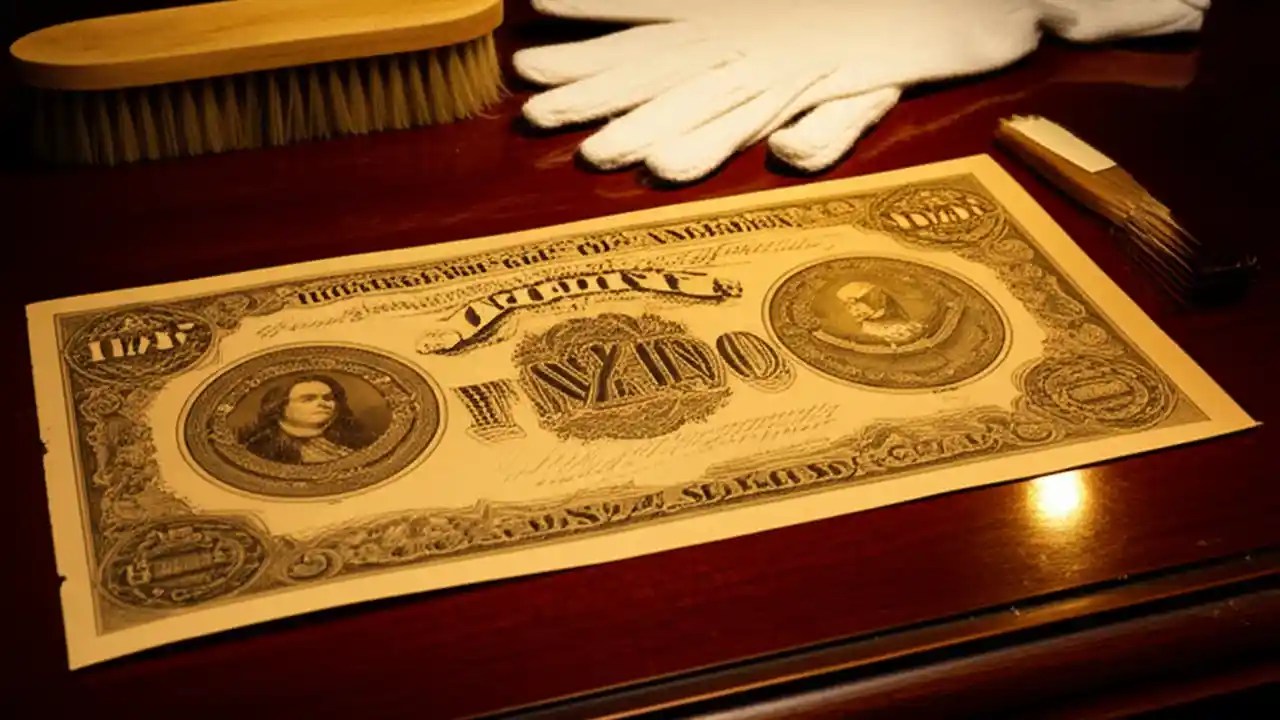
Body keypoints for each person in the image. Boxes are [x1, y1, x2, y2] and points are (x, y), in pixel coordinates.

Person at [238, 374, 378, 465]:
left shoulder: (357, 439)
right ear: (280, 407)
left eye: (328, 398)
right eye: (308, 399)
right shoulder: (260, 449)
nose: (322, 404)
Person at [831, 281, 928, 347]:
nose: (853, 311)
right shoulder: (867, 327)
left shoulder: (902, 327)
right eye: (848, 306)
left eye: (853, 305)